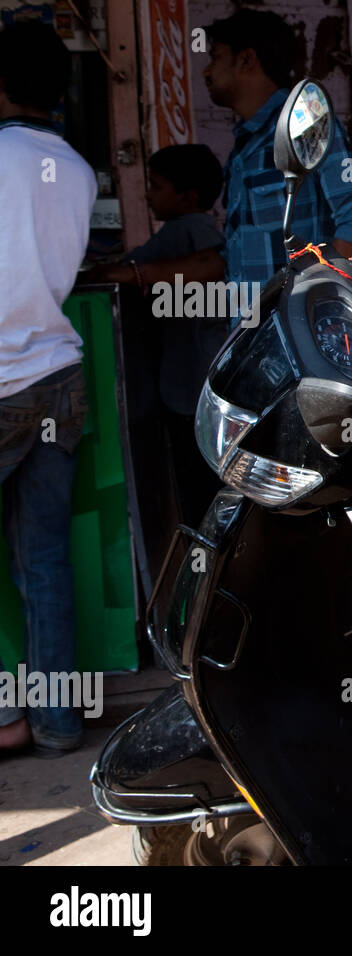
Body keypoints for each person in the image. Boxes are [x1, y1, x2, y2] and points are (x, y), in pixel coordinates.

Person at [101, 9, 352, 326]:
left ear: (246, 60)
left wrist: (310, 311)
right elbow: (232, 258)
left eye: (216, 57)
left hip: (304, 334)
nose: (207, 72)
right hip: (255, 337)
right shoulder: (244, 149)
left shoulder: (306, 121)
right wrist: (137, 273)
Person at [0, 21, 97, 758]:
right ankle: (59, 724)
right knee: (45, 562)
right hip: (59, 376)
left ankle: (7, 718)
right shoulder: (76, 168)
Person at [86, 144, 227, 526]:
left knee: (196, 479)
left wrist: (110, 273)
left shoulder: (184, 232)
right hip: (203, 377)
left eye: (156, 185)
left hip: (187, 383)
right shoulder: (203, 230)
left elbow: (132, 268)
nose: (148, 193)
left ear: (188, 196)